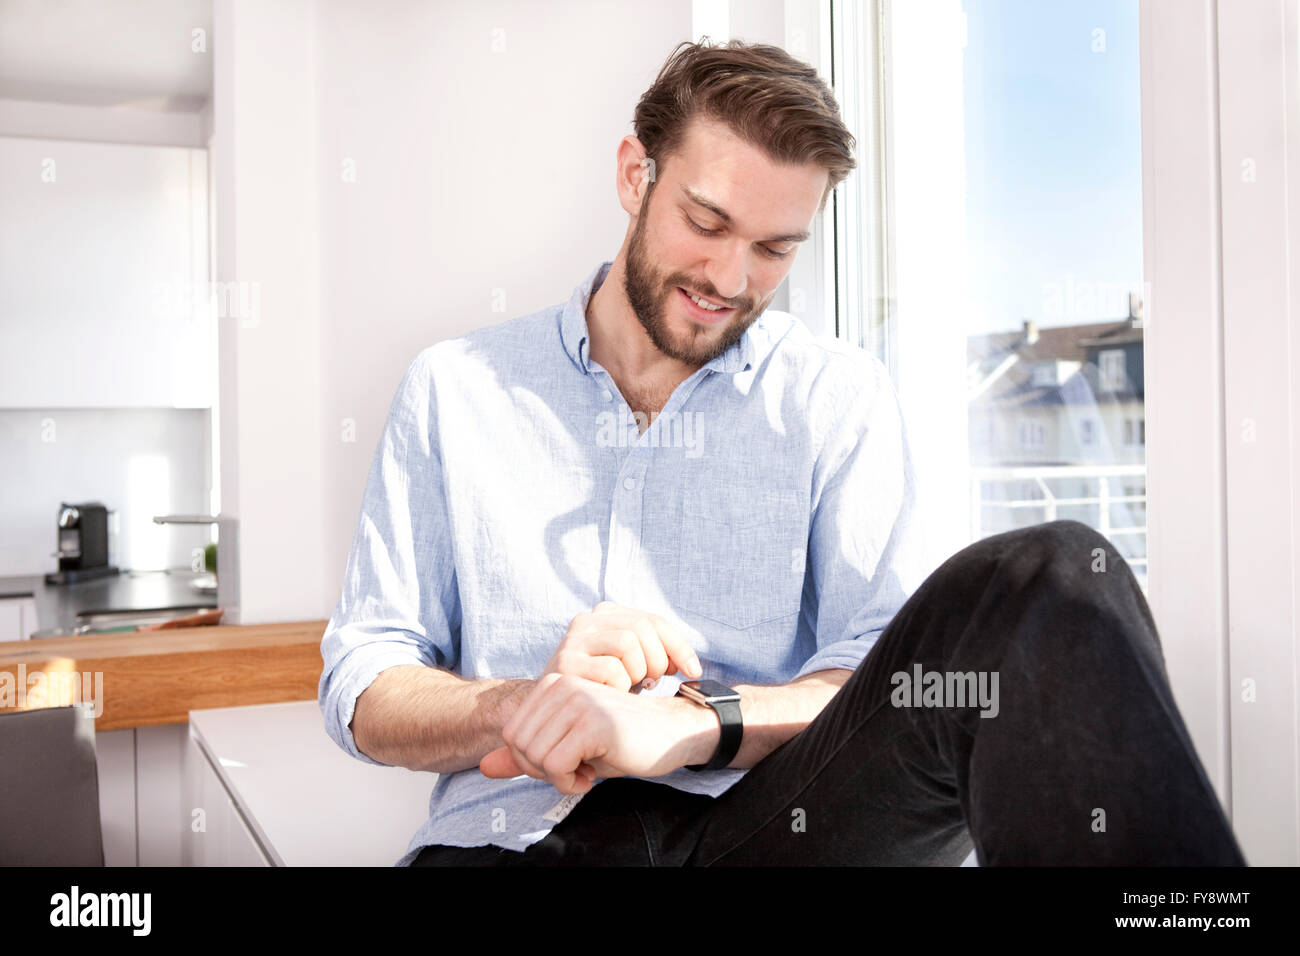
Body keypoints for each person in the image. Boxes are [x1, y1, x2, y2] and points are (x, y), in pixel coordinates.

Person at [318, 39, 1246, 867]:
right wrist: (517, 706)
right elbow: (363, 683)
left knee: (1051, 579)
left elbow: (890, 681)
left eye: (774, 248)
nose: (730, 280)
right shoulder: (456, 387)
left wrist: (686, 724)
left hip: (761, 829)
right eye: (708, 223)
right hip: (508, 841)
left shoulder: (836, 398)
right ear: (634, 175)